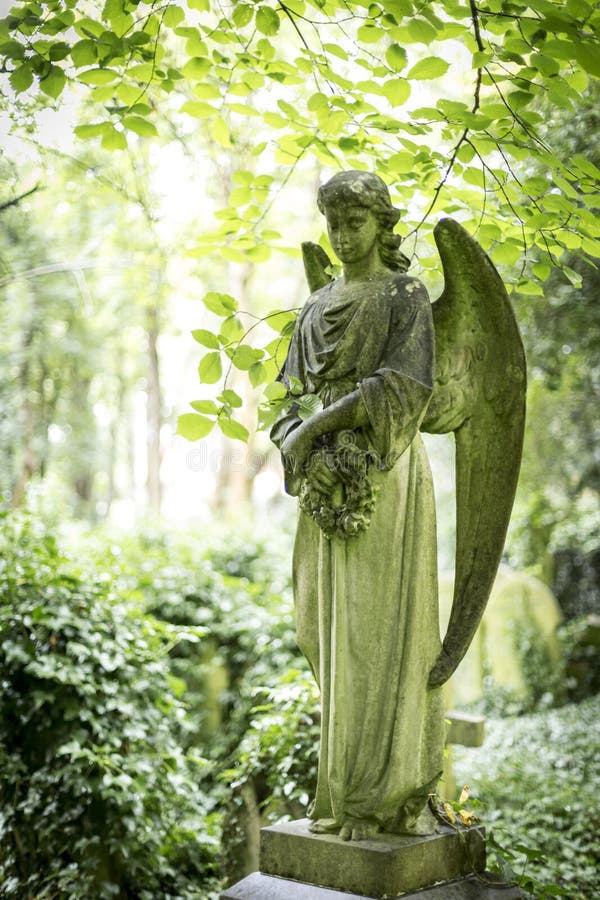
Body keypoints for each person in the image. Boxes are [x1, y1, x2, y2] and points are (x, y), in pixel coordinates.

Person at [271, 170, 444, 842]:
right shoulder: (316, 308)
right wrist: (294, 435)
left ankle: (378, 797)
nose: (343, 237)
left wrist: (316, 430)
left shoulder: (405, 295)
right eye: (334, 224)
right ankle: (341, 792)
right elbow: (288, 394)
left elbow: (404, 386)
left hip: (384, 470)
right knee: (323, 626)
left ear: (381, 222)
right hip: (323, 482)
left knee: (376, 632)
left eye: (356, 223)